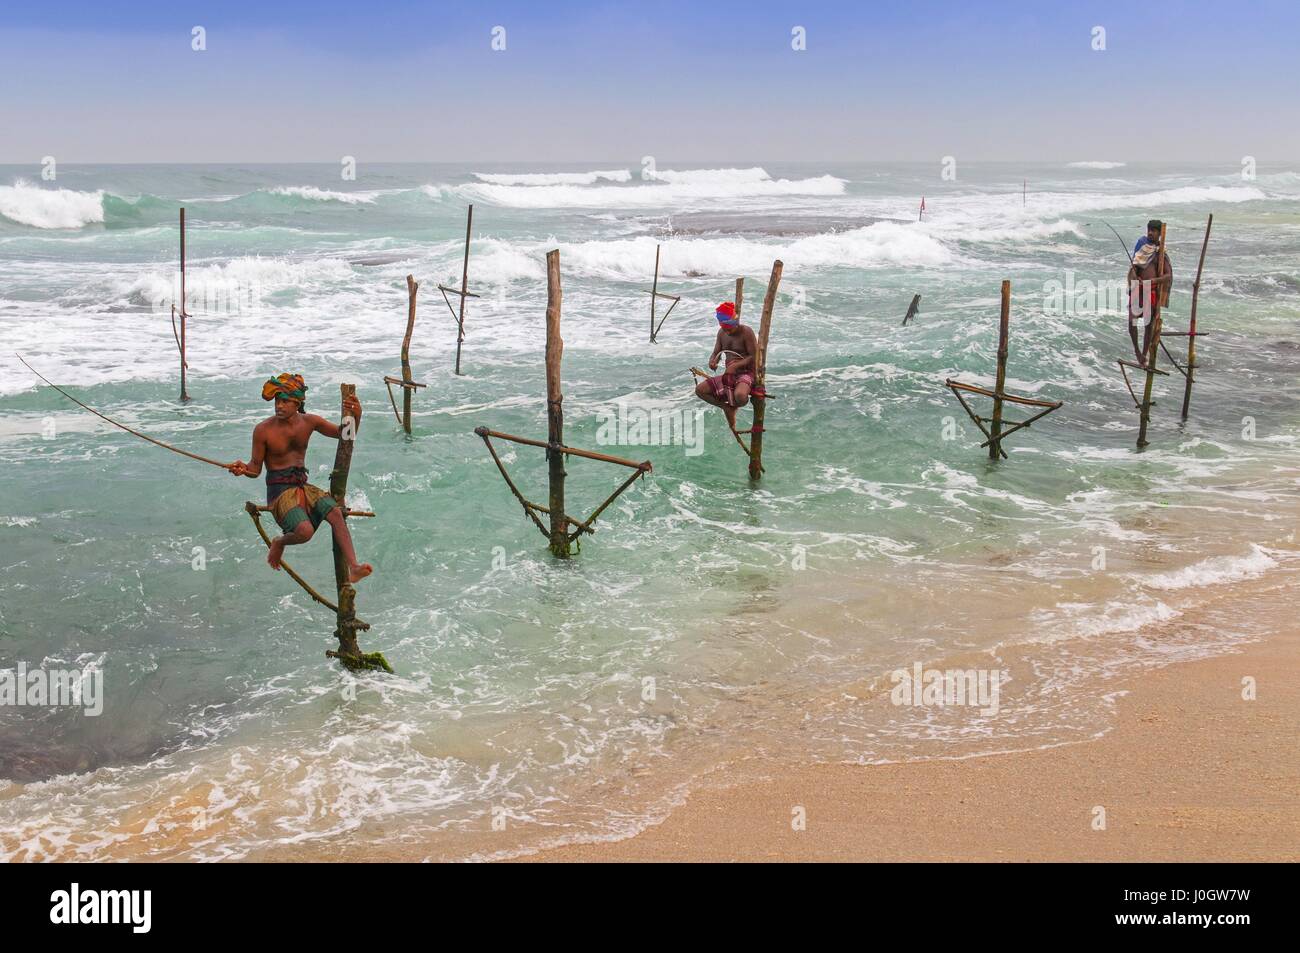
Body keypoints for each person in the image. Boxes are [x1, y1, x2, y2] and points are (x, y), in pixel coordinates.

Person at [228, 373, 372, 582]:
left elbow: (345, 435)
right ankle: (280, 542)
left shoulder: (309, 422)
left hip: (302, 485)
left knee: (335, 513)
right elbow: (255, 469)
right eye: (277, 400)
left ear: (298, 403)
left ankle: (354, 567)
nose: (279, 405)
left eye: (285, 401)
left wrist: (356, 416)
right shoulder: (262, 430)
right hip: (279, 493)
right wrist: (242, 469)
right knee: (304, 532)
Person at [694, 301, 759, 432]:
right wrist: (713, 360)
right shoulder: (722, 333)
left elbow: (754, 356)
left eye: (730, 329)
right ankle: (726, 407)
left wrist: (735, 366)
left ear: (736, 323)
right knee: (700, 390)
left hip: (746, 373)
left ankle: (735, 400)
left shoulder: (746, 332)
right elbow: (716, 352)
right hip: (729, 375)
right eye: (725, 329)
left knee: (740, 396)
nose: (727, 332)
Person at [1127, 219, 1173, 364]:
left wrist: (1151, 282)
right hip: (1138, 289)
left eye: (1154, 231)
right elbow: (1134, 267)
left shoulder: (1161, 252)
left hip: (1150, 291)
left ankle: (1144, 354)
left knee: (1148, 324)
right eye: (1149, 230)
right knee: (1131, 321)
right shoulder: (1142, 245)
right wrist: (1136, 278)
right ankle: (1137, 351)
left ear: (1160, 233)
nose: (1150, 233)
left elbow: (1167, 275)